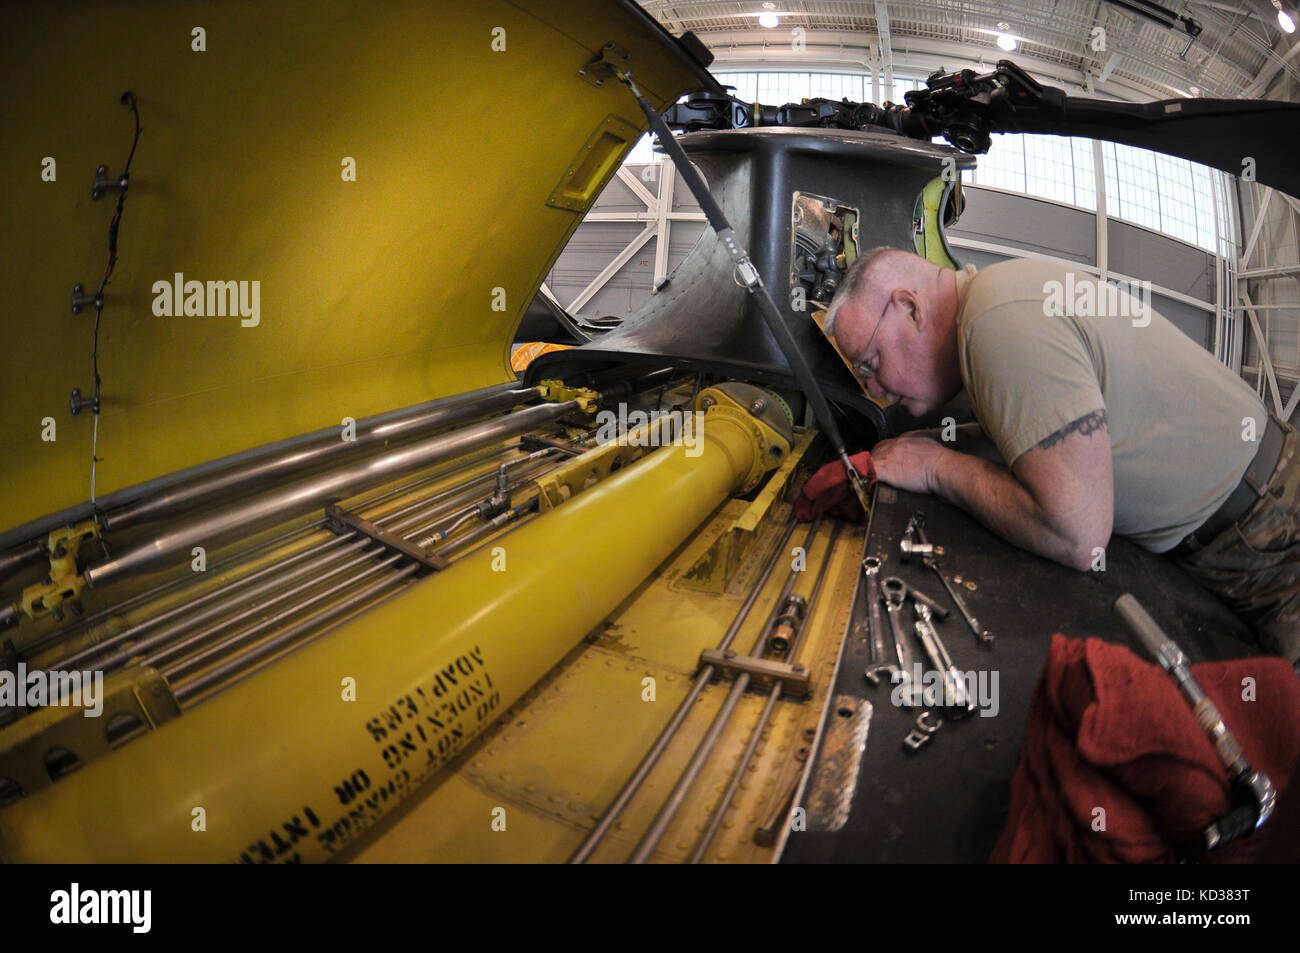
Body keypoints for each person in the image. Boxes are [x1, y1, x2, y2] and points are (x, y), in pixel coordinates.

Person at [813, 246, 1299, 661]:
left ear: (910, 308)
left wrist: (936, 468)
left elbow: (1078, 535)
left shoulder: (997, 324)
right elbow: (1035, 440)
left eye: (870, 364)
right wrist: (941, 444)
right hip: (1246, 523)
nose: (874, 390)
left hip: (1275, 537)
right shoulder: (995, 301)